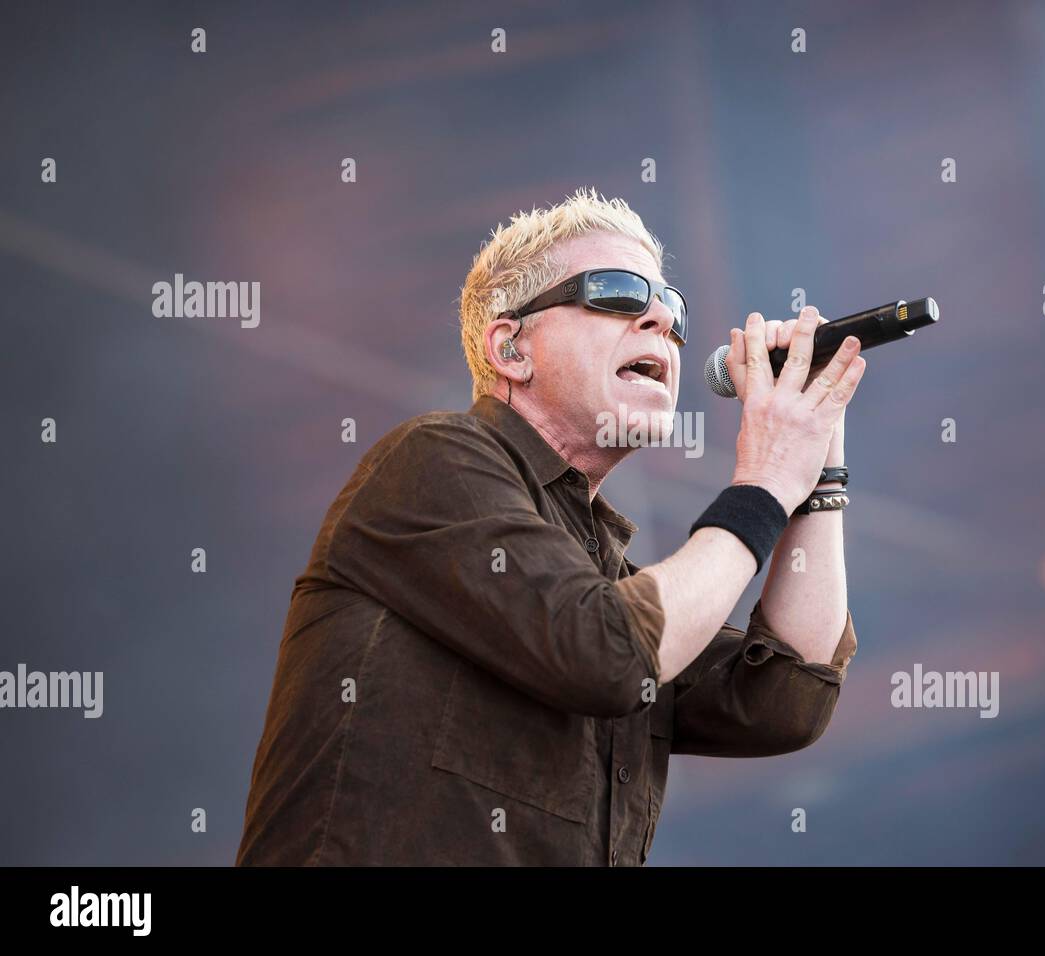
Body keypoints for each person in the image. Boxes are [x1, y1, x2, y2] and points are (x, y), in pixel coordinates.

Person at [236, 186, 866, 866]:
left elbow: (783, 699)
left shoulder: (604, 578)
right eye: (620, 293)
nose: (660, 319)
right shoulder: (429, 462)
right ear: (511, 348)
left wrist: (816, 471)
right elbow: (608, 652)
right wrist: (765, 480)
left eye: (672, 309)